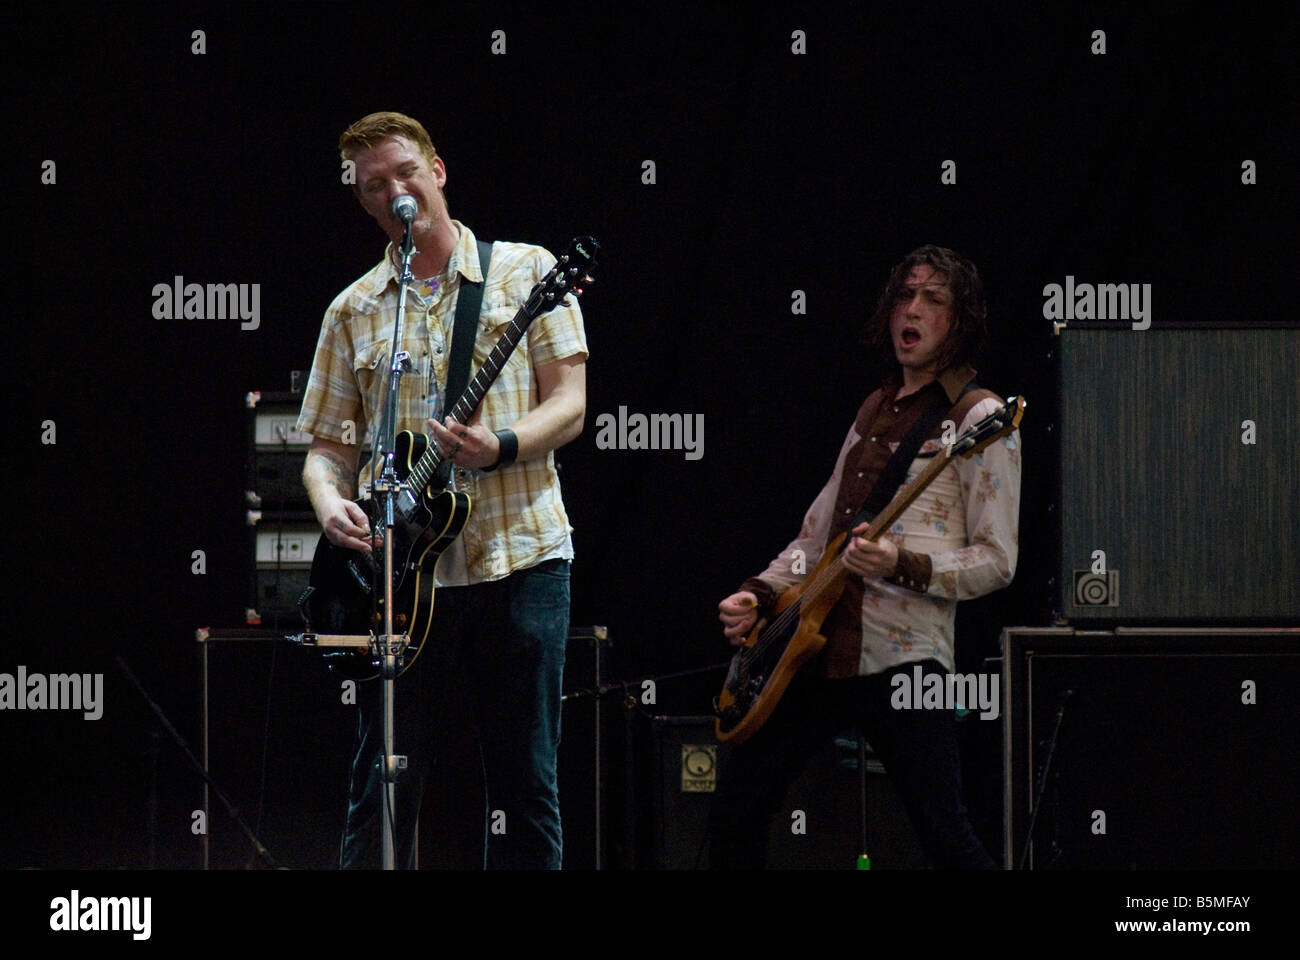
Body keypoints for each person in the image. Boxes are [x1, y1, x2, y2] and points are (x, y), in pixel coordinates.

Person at [296, 111, 588, 869]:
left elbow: (571, 401)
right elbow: (326, 449)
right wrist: (331, 505)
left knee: (528, 783)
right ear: (362, 201)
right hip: (401, 577)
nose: (395, 191)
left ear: (438, 171)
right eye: (374, 185)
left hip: (522, 558)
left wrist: (505, 444)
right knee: (383, 780)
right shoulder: (355, 309)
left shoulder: (527, 271)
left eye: (405, 173)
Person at [710, 245, 1019, 869]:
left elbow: (998, 558)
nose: (913, 309)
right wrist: (761, 594)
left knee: (945, 832)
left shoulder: (979, 416)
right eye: (905, 295)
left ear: (960, 322)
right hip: (815, 646)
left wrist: (903, 565)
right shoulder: (873, 409)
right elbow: (814, 538)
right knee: (737, 807)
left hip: (904, 660)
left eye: (934, 299)